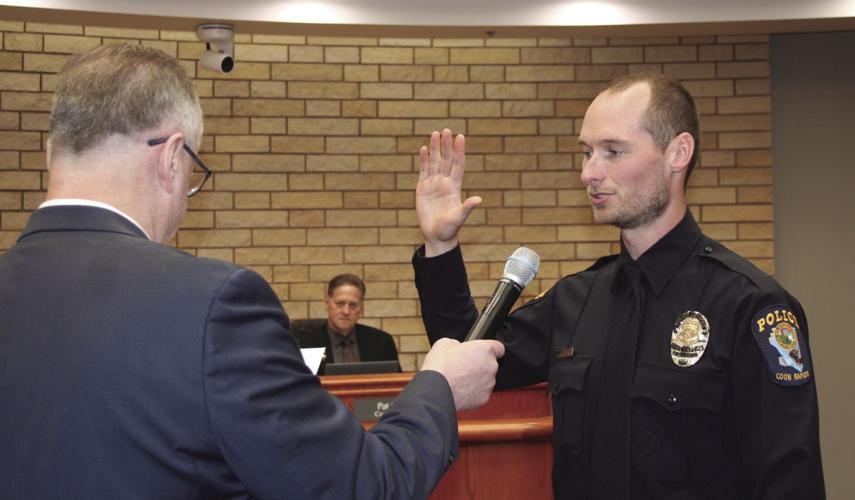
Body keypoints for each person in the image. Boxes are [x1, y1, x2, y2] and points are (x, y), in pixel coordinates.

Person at [0, 43, 506, 500]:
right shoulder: (212, 304)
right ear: (172, 158)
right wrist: (439, 386)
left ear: (50, 152)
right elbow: (361, 486)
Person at [412, 73, 824, 499]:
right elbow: (464, 354)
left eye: (613, 151)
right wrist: (440, 246)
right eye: (586, 152)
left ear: (678, 153)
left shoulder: (748, 305)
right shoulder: (576, 301)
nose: (589, 173)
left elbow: (790, 483)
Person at [293, 274, 400, 374]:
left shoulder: (382, 342)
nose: (346, 311)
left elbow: (398, 383)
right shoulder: (305, 344)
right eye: (340, 304)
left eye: (353, 305)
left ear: (361, 308)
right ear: (327, 303)